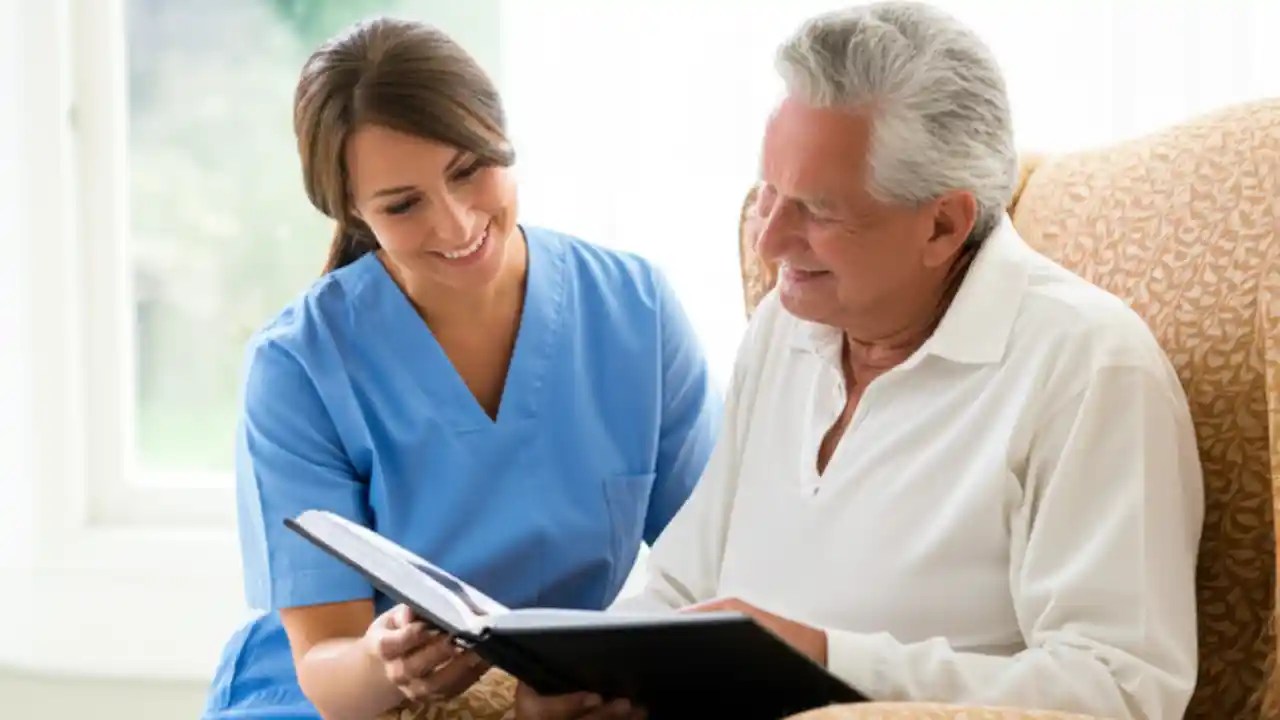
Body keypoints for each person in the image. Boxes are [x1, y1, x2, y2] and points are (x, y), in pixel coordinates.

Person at [515, 2, 1205, 719]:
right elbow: (683, 590)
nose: (769, 243)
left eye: (816, 210)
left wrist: (827, 660)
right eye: (767, 195)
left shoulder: (1088, 367)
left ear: (943, 223)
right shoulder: (785, 328)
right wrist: (586, 673)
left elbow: (1121, 692)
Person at [199, 16, 722, 720]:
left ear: (501, 138)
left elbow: (719, 563)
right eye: (403, 204)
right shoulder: (297, 366)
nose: (455, 224)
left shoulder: (636, 311)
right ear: (354, 211)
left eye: (469, 170)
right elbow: (329, 669)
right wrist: (387, 663)